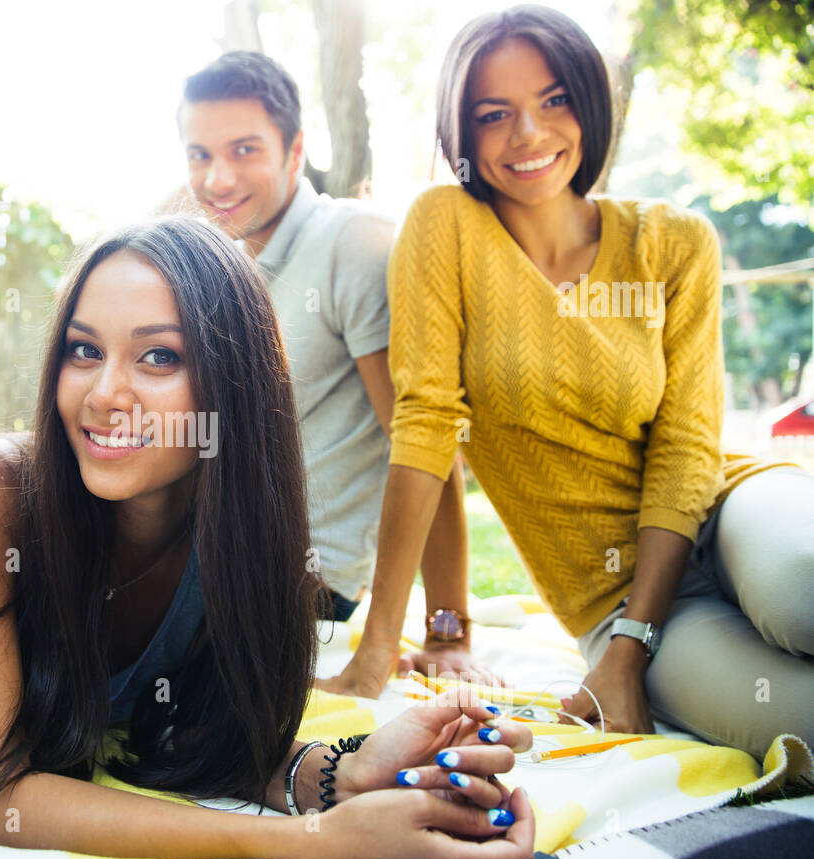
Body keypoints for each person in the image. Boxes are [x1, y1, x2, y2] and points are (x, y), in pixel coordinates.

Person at [0, 216, 536, 859]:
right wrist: (312, 843)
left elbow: (191, 740)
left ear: (233, 382)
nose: (105, 393)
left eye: (159, 356)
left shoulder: (238, 527)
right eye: (84, 350)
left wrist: (347, 771)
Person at [334, 4, 814, 759]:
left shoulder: (673, 241)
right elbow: (426, 426)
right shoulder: (444, 227)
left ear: (588, 103)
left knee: (805, 591)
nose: (528, 134)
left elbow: (689, 447)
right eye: (495, 114)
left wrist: (631, 650)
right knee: (802, 720)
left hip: (726, 511)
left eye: (553, 100)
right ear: (464, 132)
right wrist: (377, 651)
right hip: (608, 600)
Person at [177, 52, 494, 691]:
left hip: (297, 580)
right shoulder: (221, 267)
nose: (217, 178)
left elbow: (425, 443)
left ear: (295, 152)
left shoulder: (353, 243)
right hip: (205, 552)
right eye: (199, 154)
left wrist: (446, 631)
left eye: (244, 150)